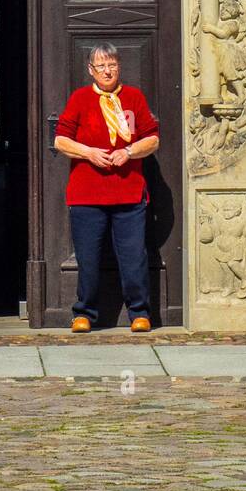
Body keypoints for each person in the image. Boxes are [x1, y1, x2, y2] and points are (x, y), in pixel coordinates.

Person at [53, 43, 160, 332]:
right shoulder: (80, 99)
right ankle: (84, 313)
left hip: (128, 193)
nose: (107, 70)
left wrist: (130, 151)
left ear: (119, 66)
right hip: (87, 195)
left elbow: (152, 139)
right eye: (101, 66)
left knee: (134, 256)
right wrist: (89, 152)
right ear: (91, 70)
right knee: (88, 257)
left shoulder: (134, 98)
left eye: (111, 64)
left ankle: (140, 312)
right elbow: (60, 140)